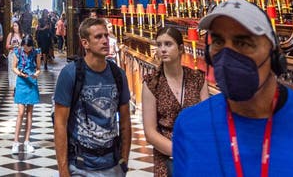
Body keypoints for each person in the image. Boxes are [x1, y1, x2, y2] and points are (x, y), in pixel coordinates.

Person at [173, 0, 293, 176]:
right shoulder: (189, 125)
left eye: (243, 43)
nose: (228, 55)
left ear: (274, 56)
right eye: (218, 42)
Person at [54, 16, 132, 176]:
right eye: (98, 36)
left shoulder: (118, 74)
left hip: (112, 163)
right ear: (85, 43)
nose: (105, 40)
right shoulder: (70, 74)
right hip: (81, 164)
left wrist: (124, 160)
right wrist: (63, 169)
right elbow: (60, 124)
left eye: (106, 35)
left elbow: (125, 120)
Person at [142, 25, 208, 176]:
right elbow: (150, 132)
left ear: (180, 48)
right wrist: (179, 150)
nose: (163, 49)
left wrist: (198, 148)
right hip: (166, 156)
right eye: (159, 45)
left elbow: (206, 121)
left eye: (168, 44)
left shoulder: (197, 79)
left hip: (196, 151)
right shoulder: (152, 83)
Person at [11, 34, 41, 155]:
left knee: (29, 113)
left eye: (28, 48)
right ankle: (16, 142)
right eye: (24, 48)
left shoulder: (36, 52)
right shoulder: (18, 51)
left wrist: (36, 74)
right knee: (20, 112)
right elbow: (14, 67)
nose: (26, 50)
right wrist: (20, 74)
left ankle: (27, 141)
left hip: (32, 82)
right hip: (21, 81)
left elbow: (38, 68)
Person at [6, 20, 23, 89]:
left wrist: (20, 46)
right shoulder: (10, 34)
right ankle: (13, 86)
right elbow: (7, 46)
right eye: (13, 26)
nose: (14, 27)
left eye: (16, 26)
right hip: (12, 54)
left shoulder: (22, 35)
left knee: (20, 69)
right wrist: (12, 45)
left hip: (20, 55)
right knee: (12, 70)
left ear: (19, 26)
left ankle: (19, 85)